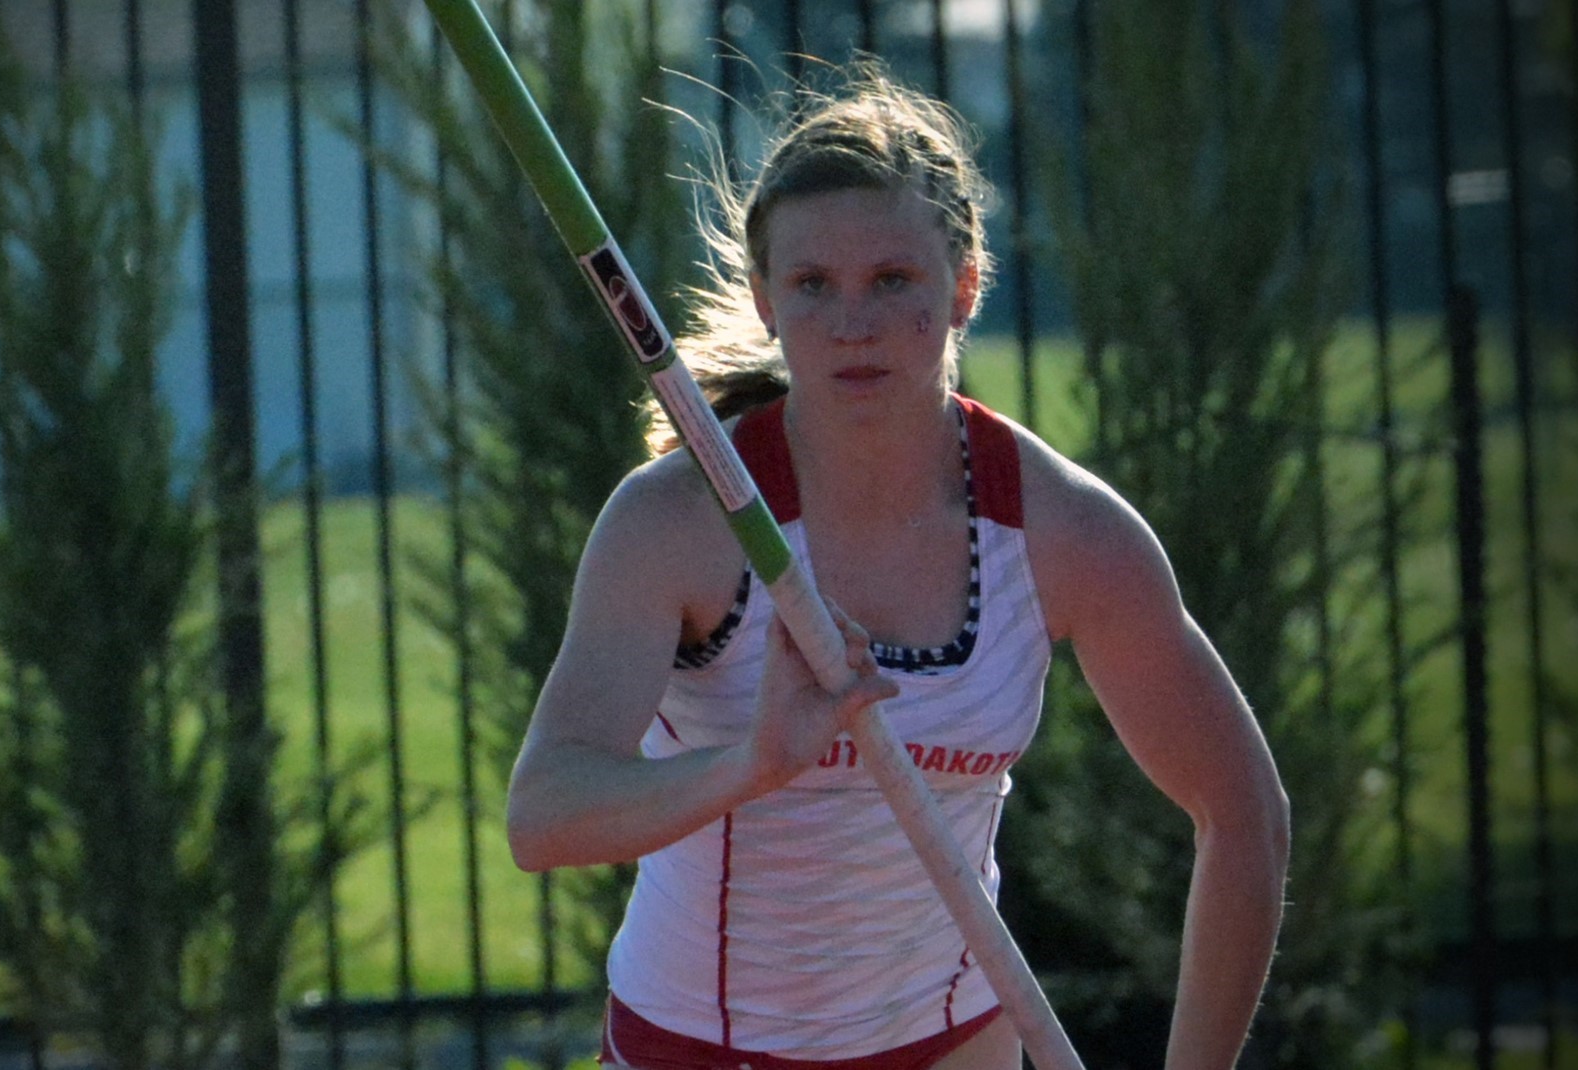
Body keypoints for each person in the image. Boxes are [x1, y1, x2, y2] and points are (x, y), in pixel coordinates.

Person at [505, 64, 1290, 1070]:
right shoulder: (678, 522)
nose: (852, 322)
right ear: (765, 297)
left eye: (891, 280)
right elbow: (544, 813)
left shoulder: (1061, 532)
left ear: (963, 285)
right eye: (811, 285)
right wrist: (752, 763)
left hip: (951, 1044)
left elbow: (1244, 811)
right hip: (698, 1047)